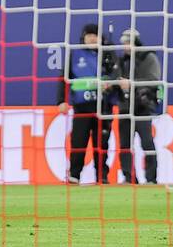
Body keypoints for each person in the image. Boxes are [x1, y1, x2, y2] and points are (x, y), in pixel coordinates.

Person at [60, 22, 117, 184]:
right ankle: (74, 175)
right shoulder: (75, 54)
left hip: (104, 105)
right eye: (89, 35)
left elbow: (117, 73)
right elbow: (63, 78)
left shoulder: (108, 54)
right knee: (78, 141)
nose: (92, 38)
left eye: (95, 35)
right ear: (83, 38)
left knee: (102, 143)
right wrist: (61, 100)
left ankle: (102, 176)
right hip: (82, 106)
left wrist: (110, 82)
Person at [113, 29, 162, 185]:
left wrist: (131, 84)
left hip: (142, 107)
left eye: (128, 43)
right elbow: (116, 80)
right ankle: (129, 178)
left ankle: (151, 179)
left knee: (147, 143)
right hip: (125, 107)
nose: (126, 46)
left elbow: (153, 80)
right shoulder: (121, 62)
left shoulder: (149, 58)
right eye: (124, 43)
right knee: (125, 145)